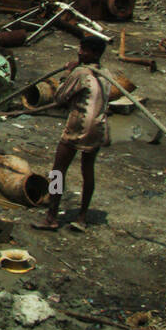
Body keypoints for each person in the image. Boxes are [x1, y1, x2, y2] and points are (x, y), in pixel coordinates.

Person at [34, 36, 115, 232]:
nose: (79, 52)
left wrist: (68, 73)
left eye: (84, 50)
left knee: (58, 171)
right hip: (99, 128)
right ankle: (82, 217)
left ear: (94, 53)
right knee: (88, 171)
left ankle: (51, 217)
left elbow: (60, 97)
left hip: (79, 126)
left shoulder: (80, 73)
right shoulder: (107, 73)